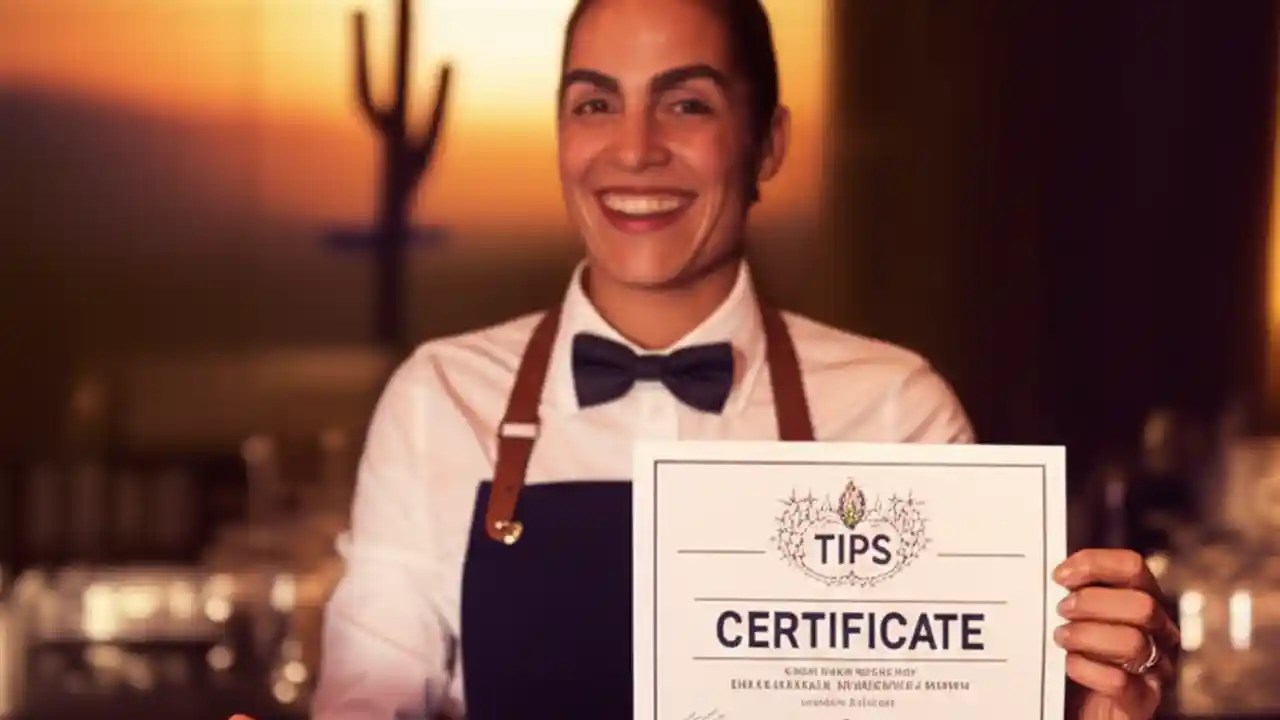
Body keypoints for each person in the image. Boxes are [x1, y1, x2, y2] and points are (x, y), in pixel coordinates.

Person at [296, 0, 1179, 718]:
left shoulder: (895, 408)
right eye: (595, 103)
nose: (633, 148)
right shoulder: (439, 396)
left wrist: (1094, 704)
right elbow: (371, 691)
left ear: (767, 144)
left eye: (686, 103)